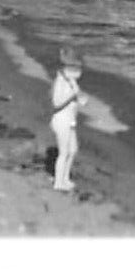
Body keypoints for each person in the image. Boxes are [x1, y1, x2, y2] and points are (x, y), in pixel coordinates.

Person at [50, 47, 87, 192]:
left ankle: (65, 178)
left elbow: (80, 100)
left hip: (70, 120)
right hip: (61, 120)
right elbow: (56, 102)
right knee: (63, 152)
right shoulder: (61, 82)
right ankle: (58, 182)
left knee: (73, 150)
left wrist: (78, 96)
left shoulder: (71, 82)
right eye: (78, 70)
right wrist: (73, 95)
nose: (80, 73)